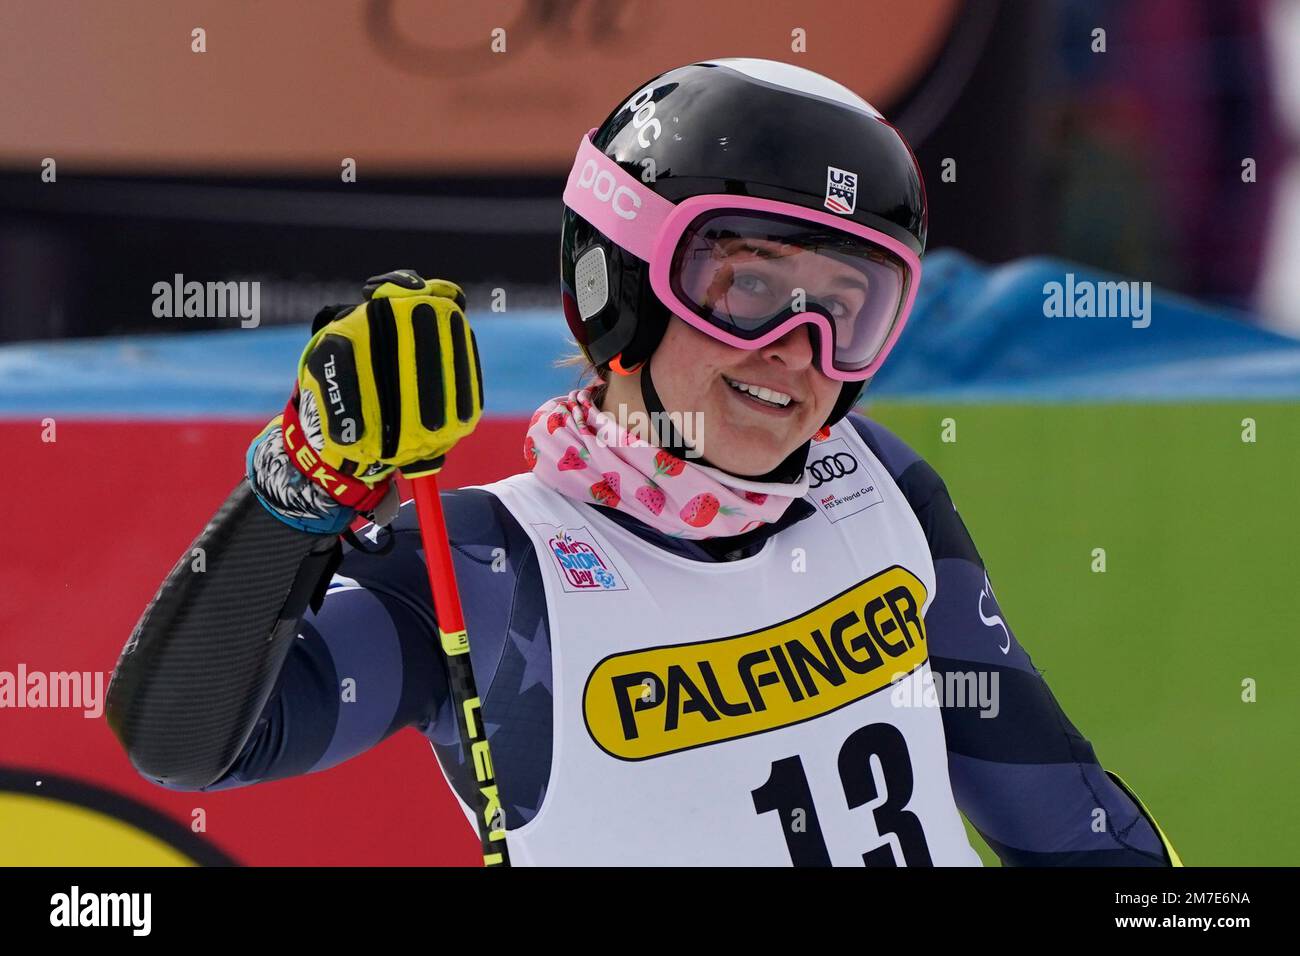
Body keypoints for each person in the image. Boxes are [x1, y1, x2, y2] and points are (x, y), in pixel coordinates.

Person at [106, 58, 1180, 866]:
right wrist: (298, 489)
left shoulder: (876, 484)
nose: (796, 355)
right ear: (613, 278)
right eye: (749, 285)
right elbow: (185, 742)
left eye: (847, 309)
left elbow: (1058, 811)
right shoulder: (488, 566)